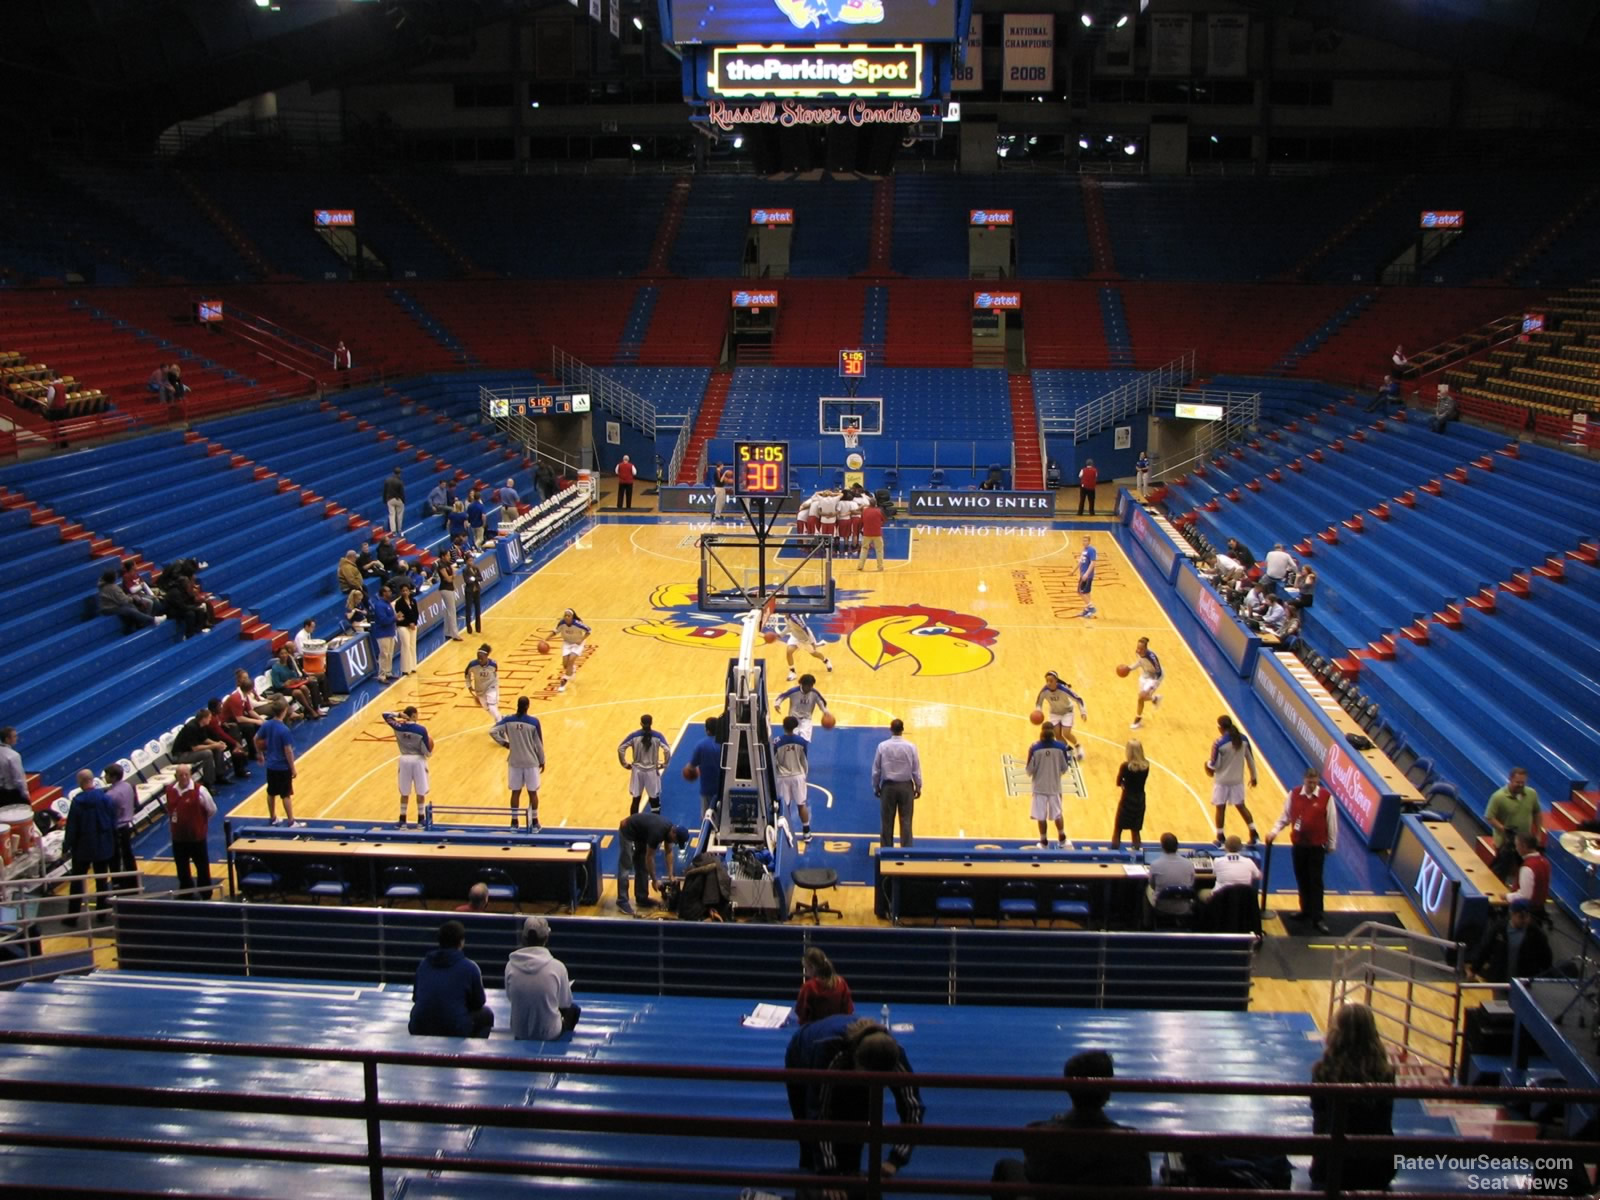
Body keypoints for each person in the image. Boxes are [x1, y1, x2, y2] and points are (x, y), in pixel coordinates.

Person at [784, 1014, 924, 1183]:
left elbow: (912, 1107)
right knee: (809, 1139)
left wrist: (896, 1160)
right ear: (856, 1062)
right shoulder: (829, 1050)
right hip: (802, 1054)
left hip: (848, 1056)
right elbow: (818, 1113)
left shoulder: (894, 1054)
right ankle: (813, 1183)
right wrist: (828, 1174)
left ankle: (851, 1178)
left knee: (856, 1126)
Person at [990, 1049, 1150, 1195]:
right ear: (1107, 1092)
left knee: (1006, 1166)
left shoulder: (1040, 1135)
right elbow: (1142, 1182)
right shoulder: (1130, 1142)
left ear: (1068, 1088)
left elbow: (1033, 1172)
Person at [1309, 1004, 1397, 1194]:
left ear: (1336, 1032)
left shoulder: (1322, 1072)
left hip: (1331, 1167)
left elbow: (1319, 1124)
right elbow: (1385, 1122)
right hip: (1379, 1168)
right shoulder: (1386, 1074)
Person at [1265, 766, 1336, 931]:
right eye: (1309, 782)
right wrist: (1274, 832)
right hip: (1299, 846)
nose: (1312, 785)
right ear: (1304, 780)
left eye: (1315, 782)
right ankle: (1305, 910)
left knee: (1316, 882)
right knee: (1302, 879)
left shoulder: (1326, 797)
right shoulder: (1294, 794)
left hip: (1316, 846)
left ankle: (1318, 917)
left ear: (1318, 781)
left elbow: (1331, 822)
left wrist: (1331, 843)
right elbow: (1285, 817)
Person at [409, 921, 493, 1039]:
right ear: (461, 942)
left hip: (419, 1027)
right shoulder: (470, 967)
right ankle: (472, 1056)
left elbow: (415, 998)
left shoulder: (424, 964)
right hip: (454, 1029)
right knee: (487, 1014)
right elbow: (479, 1002)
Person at [507, 915, 580, 1041]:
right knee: (574, 1010)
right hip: (549, 1033)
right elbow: (565, 1003)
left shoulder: (510, 965)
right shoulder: (558, 967)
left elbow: (510, 997)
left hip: (519, 1031)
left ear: (523, 938)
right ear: (546, 938)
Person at [63, 768, 117, 922]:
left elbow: (72, 827)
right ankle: (102, 914)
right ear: (92, 780)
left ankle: (73, 916)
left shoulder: (78, 802)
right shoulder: (105, 798)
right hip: (102, 845)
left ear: (80, 782)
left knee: (77, 882)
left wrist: (66, 846)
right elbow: (112, 820)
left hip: (82, 847)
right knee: (101, 881)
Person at [614, 813, 688, 915]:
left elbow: (669, 852)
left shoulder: (670, 831)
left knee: (641, 865)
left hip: (641, 833)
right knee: (626, 866)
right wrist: (654, 880)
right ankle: (622, 901)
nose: (675, 843)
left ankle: (641, 898)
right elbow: (649, 857)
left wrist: (671, 875)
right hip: (628, 830)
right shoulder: (657, 832)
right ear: (673, 833)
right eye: (676, 841)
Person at [490, 696, 545, 830]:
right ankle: (535, 821)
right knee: (532, 793)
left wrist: (505, 743)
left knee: (515, 792)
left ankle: (514, 822)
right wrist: (542, 760)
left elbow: (492, 731)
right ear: (528, 706)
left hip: (514, 761)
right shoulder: (534, 722)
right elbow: (539, 744)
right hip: (531, 761)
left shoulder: (508, 720)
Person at [1469, 898, 1553, 983]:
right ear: (1512, 914)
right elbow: (1485, 949)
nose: (1525, 920)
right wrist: (1474, 969)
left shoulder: (1536, 933)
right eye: (1521, 917)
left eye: (1528, 916)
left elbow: (1545, 958)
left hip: (1524, 982)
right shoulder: (1499, 928)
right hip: (1499, 978)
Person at [1206, 715, 1260, 847]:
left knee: (1220, 808)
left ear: (1220, 728)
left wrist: (1206, 765)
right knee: (1241, 807)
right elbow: (1250, 759)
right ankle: (1254, 833)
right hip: (1237, 780)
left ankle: (1220, 837)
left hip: (1222, 781)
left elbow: (1214, 765)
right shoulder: (1244, 739)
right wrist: (1253, 777)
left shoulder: (1219, 743)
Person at [165, 762, 215, 899]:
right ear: (176, 776)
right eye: (181, 775)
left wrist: (199, 823)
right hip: (178, 837)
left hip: (196, 837)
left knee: (202, 867)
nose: (184, 777)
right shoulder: (170, 790)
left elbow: (211, 810)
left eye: (186, 774)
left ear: (191, 775)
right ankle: (186, 891)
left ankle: (206, 892)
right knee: (182, 868)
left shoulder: (200, 790)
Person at [872, 718, 921, 850]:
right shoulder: (911, 747)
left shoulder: (882, 746)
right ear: (902, 730)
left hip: (888, 787)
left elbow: (876, 769)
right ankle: (907, 851)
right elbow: (916, 769)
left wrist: (876, 786)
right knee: (906, 821)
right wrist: (918, 786)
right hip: (906, 787)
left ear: (891, 729)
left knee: (887, 821)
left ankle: (887, 851)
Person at [1486, 766, 1542, 880]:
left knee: (1524, 870)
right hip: (1505, 842)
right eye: (1518, 782)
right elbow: (1489, 817)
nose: (1521, 785)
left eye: (1523, 782)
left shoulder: (1531, 794)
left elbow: (1537, 812)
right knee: (1501, 870)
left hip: (1524, 843)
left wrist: (1539, 832)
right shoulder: (1498, 797)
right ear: (1510, 779)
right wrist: (1503, 829)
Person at [384, 707, 433, 827]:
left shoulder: (397, 726)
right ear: (414, 715)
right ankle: (421, 819)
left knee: (404, 792)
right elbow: (427, 751)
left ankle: (402, 819)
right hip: (418, 760)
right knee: (420, 791)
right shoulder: (421, 729)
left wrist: (399, 714)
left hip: (404, 759)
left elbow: (385, 714)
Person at [1025, 723, 1071, 849]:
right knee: (1057, 814)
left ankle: (1043, 841)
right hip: (1054, 786)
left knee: (1041, 816)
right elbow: (1065, 768)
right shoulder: (1061, 747)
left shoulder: (1034, 748)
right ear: (1053, 732)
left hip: (1039, 787)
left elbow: (1029, 770)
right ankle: (1062, 839)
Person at [253, 700, 298, 827]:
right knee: (286, 795)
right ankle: (291, 821)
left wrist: (260, 754)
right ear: (284, 711)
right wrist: (293, 768)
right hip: (282, 767)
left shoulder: (267, 725)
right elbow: (288, 751)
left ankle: (273, 818)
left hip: (271, 766)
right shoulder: (284, 730)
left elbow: (255, 739)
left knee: (271, 793)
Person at [618, 714, 669, 817]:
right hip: (651, 771)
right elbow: (667, 750)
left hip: (637, 771)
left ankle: (633, 823)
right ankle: (656, 822)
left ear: (640, 723)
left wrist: (624, 764)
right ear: (651, 723)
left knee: (636, 799)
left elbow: (621, 748)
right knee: (654, 799)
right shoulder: (658, 736)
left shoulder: (634, 735)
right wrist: (665, 763)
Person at [173, 707, 233, 789]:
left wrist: (217, 743)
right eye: (209, 718)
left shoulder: (201, 725)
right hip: (181, 755)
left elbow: (204, 739)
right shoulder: (191, 727)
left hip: (190, 752)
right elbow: (195, 748)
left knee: (217, 748)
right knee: (207, 753)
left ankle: (220, 775)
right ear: (204, 719)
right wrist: (214, 745)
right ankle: (209, 783)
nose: (210, 719)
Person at [772, 715, 812, 838]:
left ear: (783, 726)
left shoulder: (776, 742)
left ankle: (785, 834)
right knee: (801, 804)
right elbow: (804, 760)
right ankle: (807, 832)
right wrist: (804, 774)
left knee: (785, 806)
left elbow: (773, 761)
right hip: (798, 775)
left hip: (782, 776)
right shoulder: (802, 742)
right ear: (796, 726)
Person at [1034, 671, 1087, 762]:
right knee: (1057, 734)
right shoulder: (1044, 690)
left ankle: (1078, 746)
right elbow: (1039, 702)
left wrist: (1083, 712)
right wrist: (1038, 711)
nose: (1048, 683)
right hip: (1055, 713)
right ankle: (1068, 749)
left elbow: (1078, 699)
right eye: (1047, 681)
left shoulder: (1063, 689)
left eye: (1051, 681)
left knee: (1066, 733)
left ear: (1056, 681)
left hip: (1067, 712)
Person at [795, 946, 854, 1025]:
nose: (805, 972)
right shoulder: (841, 982)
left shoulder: (808, 987)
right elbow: (848, 1010)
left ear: (812, 967)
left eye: (806, 968)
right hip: (838, 1028)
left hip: (816, 1030)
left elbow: (801, 1013)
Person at [269, 644, 328, 719]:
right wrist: (284, 684)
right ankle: (311, 710)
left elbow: (296, 675)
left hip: (293, 685)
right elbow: (276, 684)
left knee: (304, 687)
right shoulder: (275, 668)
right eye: (282, 654)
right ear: (278, 656)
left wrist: (296, 680)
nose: (284, 655)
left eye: (285, 653)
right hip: (282, 688)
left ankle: (308, 710)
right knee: (298, 692)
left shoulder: (290, 663)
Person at [1146, 832, 1196, 920]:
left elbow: (1152, 885)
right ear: (1177, 846)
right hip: (1184, 907)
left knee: (1146, 889)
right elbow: (1191, 884)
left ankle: (1146, 923)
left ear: (1162, 846)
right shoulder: (1189, 864)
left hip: (1162, 907)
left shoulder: (1155, 864)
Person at [102, 762, 138, 881]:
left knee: (115, 858)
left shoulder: (111, 795)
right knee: (128, 854)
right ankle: (133, 879)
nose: (104, 777)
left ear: (113, 777)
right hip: (127, 826)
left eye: (106, 775)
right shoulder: (128, 785)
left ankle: (117, 882)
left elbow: (108, 814)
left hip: (117, 828)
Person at [1111, 740, 1149, 851]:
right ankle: (1136, 855)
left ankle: (1113, 855)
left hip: (1127, 800)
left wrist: (1124, 784)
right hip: (1140, 800)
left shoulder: (1125, 766)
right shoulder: (1146, 766)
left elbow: (1118, 782)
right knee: (1136, 831)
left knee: (1118, 829)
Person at [776, 613, 833, 680]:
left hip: (805, 637)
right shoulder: (786, 617)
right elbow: (789, 627)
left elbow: (805, 629)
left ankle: (826, 660)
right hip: (795, 637)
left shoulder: (794, 618)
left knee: (814, 653)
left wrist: (812, 643)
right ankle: (792, 672)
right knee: (789, 651)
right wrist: (780, 635)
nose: (779, 612)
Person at [1506, 831, 1550, 911]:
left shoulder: (1528, 867)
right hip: (1539, 907)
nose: (1516, 849)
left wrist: (1506, 896)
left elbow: (1525, 896)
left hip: (1526, 912)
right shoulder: (1544, 861)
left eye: (1517, 846)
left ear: (1524, 846)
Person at [774, 673, 829, 739]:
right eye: (808, 686)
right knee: (792, 739)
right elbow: (782, 696)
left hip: (806, 718)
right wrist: (777, 704)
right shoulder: (793, 691)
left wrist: (825, 712)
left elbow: (821, 702)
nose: (810, 687)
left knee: (805, 740)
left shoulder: (814, 693)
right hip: (793, 718)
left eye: (811, 685)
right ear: (802, 684)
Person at [1125, 637, 1164, 730]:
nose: (1138, 650)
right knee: (1140, 699)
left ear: (1145, 649)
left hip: (1155, 676)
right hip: (1146, 675)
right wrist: (1130, 668)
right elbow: (1140, 662)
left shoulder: (1152, 657)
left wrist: (1153, 684)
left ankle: (1137, 719)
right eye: (1137, 648)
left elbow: (1158, 671)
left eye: (1140, 649)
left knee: (1141, 696)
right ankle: (1154, 699)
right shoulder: (1138, 653)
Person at [689, 718, 725, 814]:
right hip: (724, 787)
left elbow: (691, 767)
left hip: (707, 788)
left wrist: (695, 771)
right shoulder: (727, 744)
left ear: (707, 730)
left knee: (707, 817)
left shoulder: (701, 745)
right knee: (724, 816)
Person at [551, 608, 591, 694]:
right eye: (565, 615)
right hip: (567, 643)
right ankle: (572, 669)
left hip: (577, 643)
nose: (566, 617)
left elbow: (589, 630)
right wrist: (545, 639)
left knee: (571, 660)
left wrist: (582, 639)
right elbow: (555, 631)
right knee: (565, 665)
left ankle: (563, 682)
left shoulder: (578, 624)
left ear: (572, 617)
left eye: (568, 616)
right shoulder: (562, 623)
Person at [370, 585, 398, 683]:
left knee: (390, 653)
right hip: (382, 633)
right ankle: (381, 675)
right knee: (384, 654)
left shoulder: (388, 603)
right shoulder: (379, 605)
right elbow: (383, 620)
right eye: (388, 591)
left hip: (390, 632)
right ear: (383, 593)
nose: (390, 592)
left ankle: (388, 672)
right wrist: (395, 618)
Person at [434, 554, 462, 641]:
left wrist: (452, 576)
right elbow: (448, 579)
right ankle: (455, 634)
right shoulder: (441, 566)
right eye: (447, 556)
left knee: (447, 611)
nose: (449, 557)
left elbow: (454, 574)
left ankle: (447, 632)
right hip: (445, 589)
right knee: (452, 611)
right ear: (442, 556)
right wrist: (452, 576)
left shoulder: (447, 564)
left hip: (450, 588)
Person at [394, 582, 420, 676]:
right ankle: (405, 669)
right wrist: (409, 623)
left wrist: (414, 622)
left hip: (413, 626)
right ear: (401, 592)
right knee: (406, 645)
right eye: (403, 591)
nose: (405, 592)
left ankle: (413, 666)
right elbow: (400, 615)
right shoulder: (399, 603)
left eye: (406, 590)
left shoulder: (413, 601)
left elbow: (416, 613)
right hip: (403, 626)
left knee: (413, 645)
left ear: (409, 591)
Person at [0, 727, 26, 810]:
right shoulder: (13, 756)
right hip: (12, 793)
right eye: (14, 736)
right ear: (7, 739)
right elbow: (18, 779)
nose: (17, 738)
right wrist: (25, 794)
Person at [858, 495, 885, 571]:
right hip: (877, 533)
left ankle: (860, 566)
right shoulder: (879, 511)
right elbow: (884, 520)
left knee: (864, 549)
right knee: (879, 550)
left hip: (867, 533)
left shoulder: (865, 511)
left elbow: (861, 522)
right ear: (876, 504)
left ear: (869, 503)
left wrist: (860, 530)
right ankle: (880, 566)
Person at [461, 552, 484, 634]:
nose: (471, 562)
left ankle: (478, 628)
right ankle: (469, 628)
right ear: (466, 561)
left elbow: (480, 578)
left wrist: (474, 578)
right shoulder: (465, 570)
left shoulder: (476, 568)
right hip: (469, 591)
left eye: (472, 560)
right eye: (469, 560)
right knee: (469, 610)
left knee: (478, 609)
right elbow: (467, 580)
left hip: (476, 590)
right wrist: (474, 579)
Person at [1077, 535, 1098, 618]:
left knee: (1080, 591)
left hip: (1087, 576)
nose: (1084, 542)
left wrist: (1086, 574)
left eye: (1086, 541)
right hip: (1083, 574)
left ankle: (1091, 607)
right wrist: (1073, 571)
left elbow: (1093, 563)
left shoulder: (1091, 550)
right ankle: (1087, 610)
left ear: (1089, 541)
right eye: (1083, 540)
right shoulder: (1084, 550)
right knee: (1087, 593)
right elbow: (1081, 562)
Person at [382, 467, 406, 536]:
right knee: (399, 515)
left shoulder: (387, 480)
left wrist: (384, 500)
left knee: (391, 515)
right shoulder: (400, 482)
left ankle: (393, 531)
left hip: (389, 499)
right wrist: (403, 501)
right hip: (398, 499)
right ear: (400, 474)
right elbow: (402, 493)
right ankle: (399, 529)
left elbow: (384, 491)